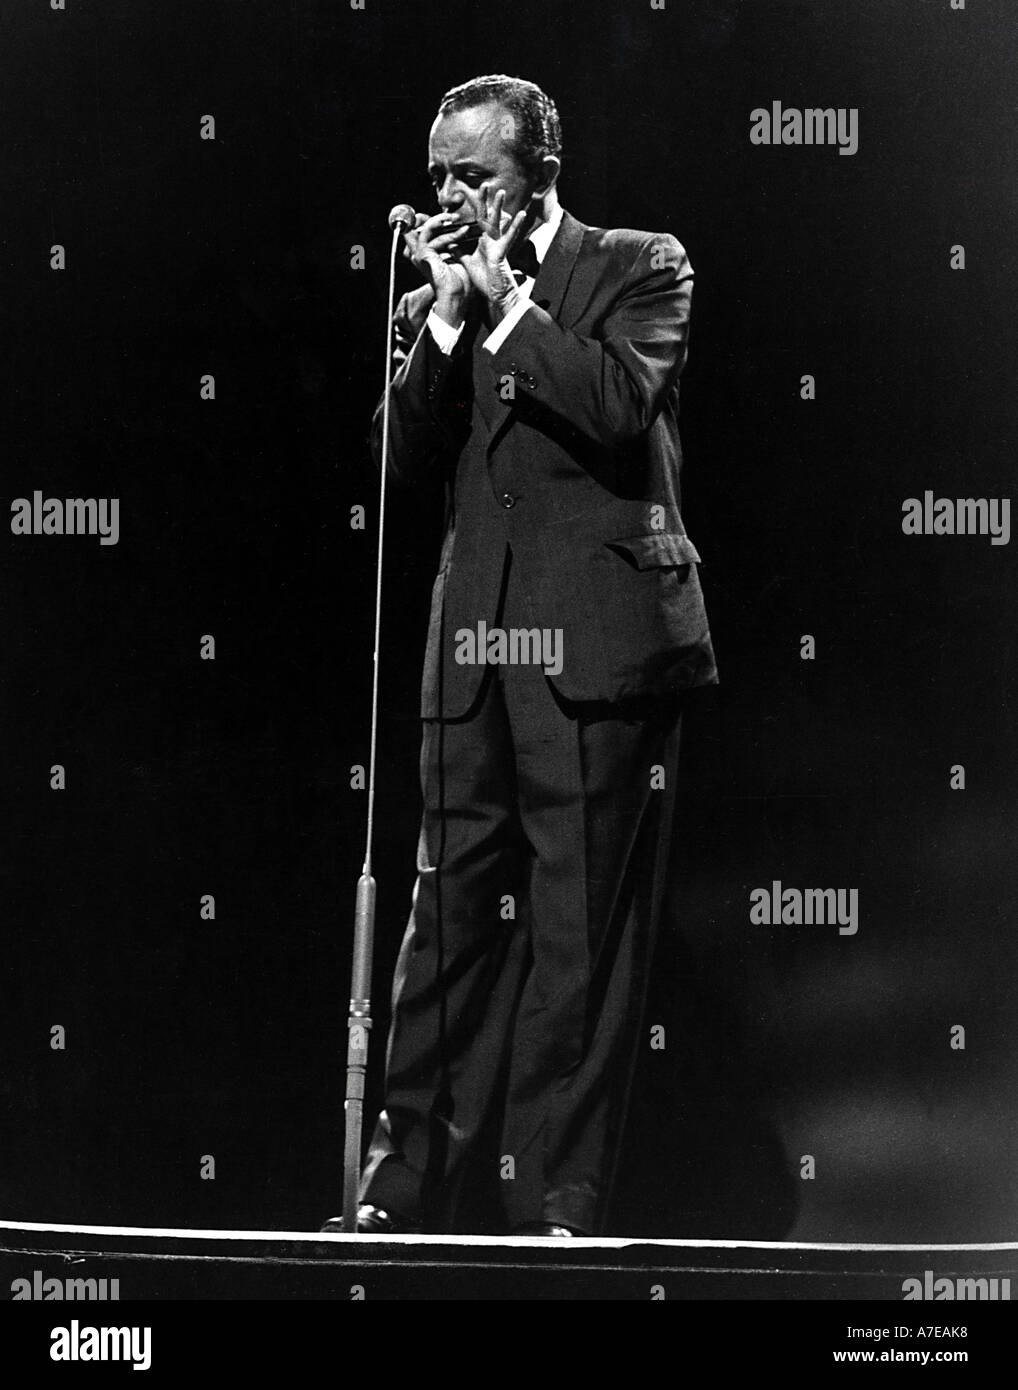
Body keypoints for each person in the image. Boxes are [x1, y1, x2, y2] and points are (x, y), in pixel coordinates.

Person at [326, 74, 717, 1237]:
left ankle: (559, 1197)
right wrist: (441, 322)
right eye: (436, 175)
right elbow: (400, 474)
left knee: (575, 929)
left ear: (537, 172)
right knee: (440, 923)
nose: (447, 197)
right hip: (470, 649)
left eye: (473, 176)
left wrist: (501, 305)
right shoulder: (434, 302)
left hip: (596, 649)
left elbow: (612, 404)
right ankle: (398, 1187)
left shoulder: (641, 265)